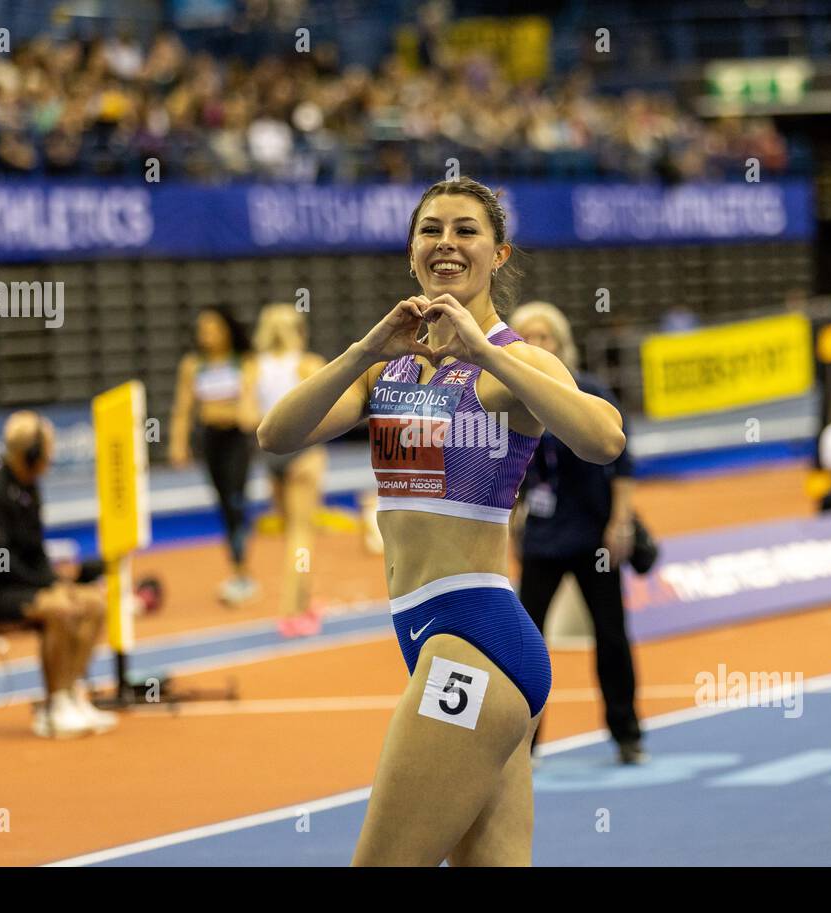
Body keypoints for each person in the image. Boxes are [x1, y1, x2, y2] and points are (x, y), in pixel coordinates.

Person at [258, 177, 626, 866]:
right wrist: (364, 351)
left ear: (499, 254)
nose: (446, 243)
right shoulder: (388, 369)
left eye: (466, 231)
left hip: (474, 638)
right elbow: (276, 435)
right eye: (431, 230)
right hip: (433, 636)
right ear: (411, 252)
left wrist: (484, 352)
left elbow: (605, 439)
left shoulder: (510, 361)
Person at [508, 302, 645, 765]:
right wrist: (512, 523)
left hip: (594, 537)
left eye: (544, 336)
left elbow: (622, 464)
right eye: (526, 336)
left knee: (611, 637)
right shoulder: (508, 397)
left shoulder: (588, 391)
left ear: (561, 342)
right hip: (542, 541)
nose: (536, 344)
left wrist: (620, 522)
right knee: (525, 645)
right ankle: (524, 744)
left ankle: (627, 735)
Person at [0, 411, 116, 739]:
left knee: (94, 603)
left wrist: (57, 583)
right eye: (47, 450)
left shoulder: (28, 487)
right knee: (61, 609)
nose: (51, 457)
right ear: (32, 453)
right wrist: (48, 590)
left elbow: (35, 552)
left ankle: (71, 693)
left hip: (16, 586)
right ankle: (54, 704)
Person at [244, 303, 328, 637]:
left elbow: (245, 418)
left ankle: (302, 602)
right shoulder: (308, 364)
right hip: (303, 454)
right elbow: (330, 408)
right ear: (299, 331)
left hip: (272, 454)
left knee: (290, 533)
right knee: (301, 535)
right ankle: (291, 611)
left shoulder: (254, 367)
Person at [169, 305, 260, 606]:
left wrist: (247, 414)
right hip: (211, 439)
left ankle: (241, 570)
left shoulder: (243, 362)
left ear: (226, 331)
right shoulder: (193, 365)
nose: (205, 335)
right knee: (223, 503)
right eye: (202, 329)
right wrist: (178, 443)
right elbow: (183, 409)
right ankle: (237, 566)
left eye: (212, 328)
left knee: (236, 500)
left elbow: (250, 403)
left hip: (236, 438)